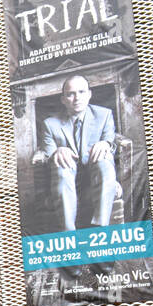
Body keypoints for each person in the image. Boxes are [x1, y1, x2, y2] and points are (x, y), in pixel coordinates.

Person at [36, 75, 118, 231]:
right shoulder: (50, 124)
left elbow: (110, 139)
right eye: (70, 94)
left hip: (97, 175)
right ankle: (69, 232)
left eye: (81, 92)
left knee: (104, 157)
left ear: (89, 94)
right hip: (68, 179)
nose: (77, 98)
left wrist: (105, 143)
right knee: (62, 164)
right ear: (63, 99)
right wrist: (56, 152)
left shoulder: (104, 115)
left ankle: (100, 228)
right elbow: (48, 152)